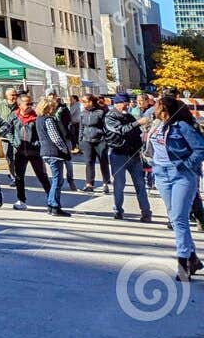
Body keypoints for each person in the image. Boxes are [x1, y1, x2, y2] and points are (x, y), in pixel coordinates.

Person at [149, 95, 204, 282]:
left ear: (165, 108)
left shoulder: (182, 126)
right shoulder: (156, 124)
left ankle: (183, 265)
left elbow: (200, 148)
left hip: (181, 175)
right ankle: (193, 258)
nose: (153, 107)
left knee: (179, 219)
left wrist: (187, 165)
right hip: (161, 174)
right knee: (175, 217)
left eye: (157, 104)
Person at [102, 91, 152, 222]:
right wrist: (138, 123)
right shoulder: (109, 117)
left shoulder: (129, 116)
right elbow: (121, 130)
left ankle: (146, 212)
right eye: (123, 104)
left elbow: (136, 134)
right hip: (118, 154)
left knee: (140, 184)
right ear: (117, 103)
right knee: (119, 184)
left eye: (127, 103)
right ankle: (117, 210)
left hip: (133, 155)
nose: (126, 106)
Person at [6, 91, 52, 210]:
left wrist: (38, 144)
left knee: (42, 176)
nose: (30, 106)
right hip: (20, 151)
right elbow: (9, 131)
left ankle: (52, 199)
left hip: (35, 151)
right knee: (19, 177)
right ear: (19, 104)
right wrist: (14, 142)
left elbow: (43, 134)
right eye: (27, 103)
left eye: (31, 103)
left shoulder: (36, 116)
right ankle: (21, 200)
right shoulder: (14, 116)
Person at [35, 93, 74, 216]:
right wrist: (65, 150)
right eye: (53, 107)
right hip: (53, 153)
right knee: (57, 180)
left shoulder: (38, 120)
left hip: (46, 152)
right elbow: (55, 138)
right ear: (48, 108)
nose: (54, 109)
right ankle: (53, 205)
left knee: (56, 179)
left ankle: (52, 205)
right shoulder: (48, 120)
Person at [77, 94, 110, 194]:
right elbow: (81, 128)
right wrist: (80, 140)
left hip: (100, 140)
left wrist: (106, 139)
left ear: (90, 102)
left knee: (103, 162)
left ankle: (106, 184)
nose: (83, 104)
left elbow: (106, 127)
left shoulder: (100, 112)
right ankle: (89, 184)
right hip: (87, 141)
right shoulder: (83, 113)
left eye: (84, 101)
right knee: (89, 162)